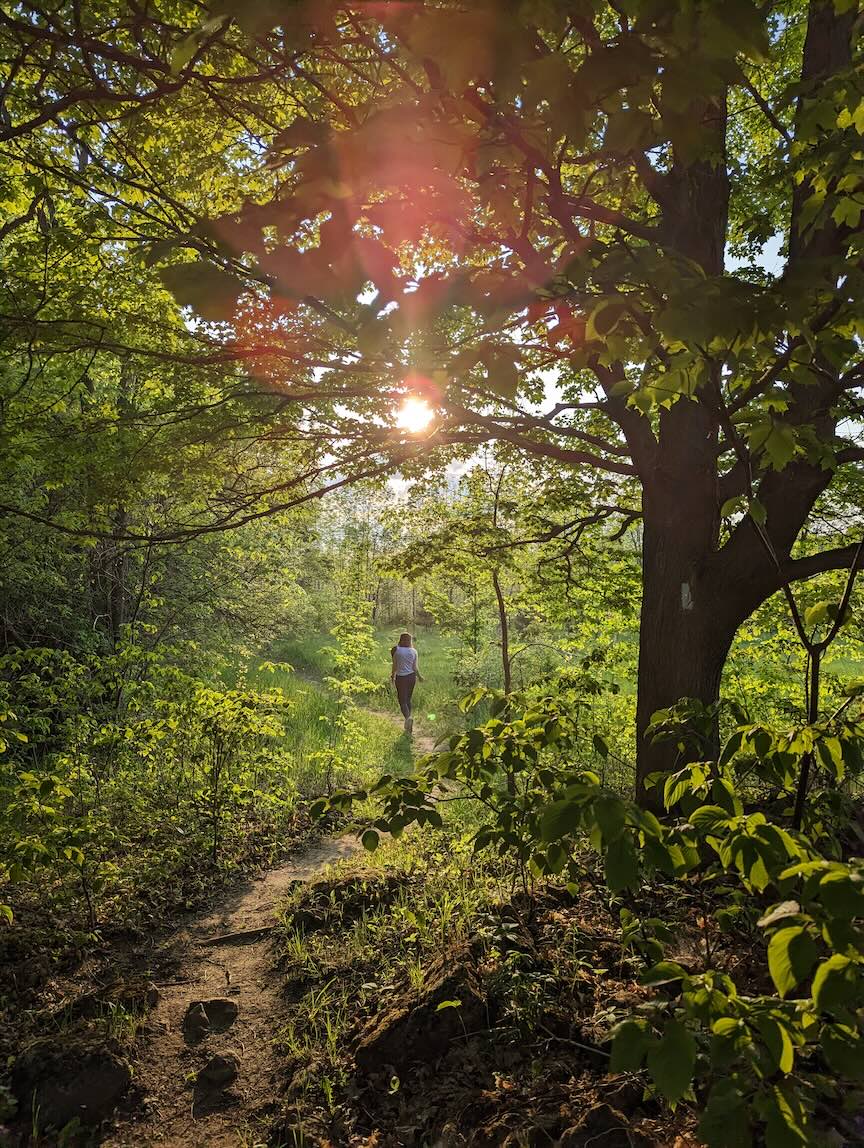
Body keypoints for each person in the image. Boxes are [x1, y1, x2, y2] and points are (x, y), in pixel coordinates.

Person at [390, 631, 423, 734]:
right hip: (412, 677)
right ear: (410, 641)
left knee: (402, 701)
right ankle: (409, 721)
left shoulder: (397, 650)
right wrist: (420, 677)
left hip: (401, 678)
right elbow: (415, 667)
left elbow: (394, 665)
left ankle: (408, 718)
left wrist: (392, 676)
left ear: (400, 640)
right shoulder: (414, 651)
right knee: (408, 699)